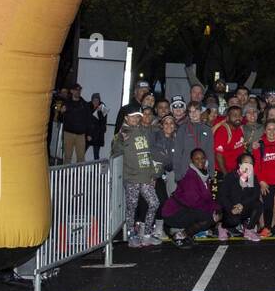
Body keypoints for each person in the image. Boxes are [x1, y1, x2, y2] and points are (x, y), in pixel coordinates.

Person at [116, 110, 161, 247]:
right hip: (131, 177)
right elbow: (115, 153)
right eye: (132, 116)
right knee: (132, 207)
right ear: (126, 117)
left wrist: (152, 174)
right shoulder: (123, 133)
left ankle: (146, 234)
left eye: (137, 117)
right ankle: (131, 236)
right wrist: (121, 140)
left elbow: (147, 153)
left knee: (154, 203)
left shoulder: (143, 131)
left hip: (146, 175)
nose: (135, 119)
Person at [162, 148, 219, 246]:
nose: (200, 161)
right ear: (191, 160)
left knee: (214, 214)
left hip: (185, 210)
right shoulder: (190, 176)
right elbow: (193, 201)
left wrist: (217, 208)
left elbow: (207, 198)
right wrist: (212, 211)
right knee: (208, 217)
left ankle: (185, 233)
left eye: (202, 158)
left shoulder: (203, 175)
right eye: (197, 159)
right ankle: (179, 235)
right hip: (173, 213)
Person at [218, 151, 262, 241]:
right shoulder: (230, 176)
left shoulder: (252, 178)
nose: (248, 166)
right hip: (231, 209)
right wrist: (231, 208)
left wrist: (242, 204)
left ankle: (249, 230)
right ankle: (222, 227)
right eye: (246, 163)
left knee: (258, 204)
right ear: (239, 164)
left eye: (251, 163)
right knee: (234, 221)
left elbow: (255, 195)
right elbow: (222, 196)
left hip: (242, 207)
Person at [60, 83, 92, 164]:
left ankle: (80, 175)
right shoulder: (66, 103)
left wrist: (89, 133)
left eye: (79, 90)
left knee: (81, 157)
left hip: (81, 135)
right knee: (67, 156)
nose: (78, 92)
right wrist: (61, 112)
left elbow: (88, 120)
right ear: (71, 91)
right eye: (76, 90)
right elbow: (60, 119)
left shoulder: (85, 104)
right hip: (68, 133)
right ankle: (65, 175)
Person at [86, 93, 108, 160]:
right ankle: (77, 168)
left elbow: (103, 123)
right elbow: (86, 122)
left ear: (99, 101)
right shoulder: (87, 106)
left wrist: (99, 112)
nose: (95, 102)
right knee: (81, 153)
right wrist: (88, 134)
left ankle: (96, 169)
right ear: (92, 100)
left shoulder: (103, 108)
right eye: (94, 100)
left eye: (97, 100)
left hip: (97, 136)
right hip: (88, 134)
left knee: (96, 155)